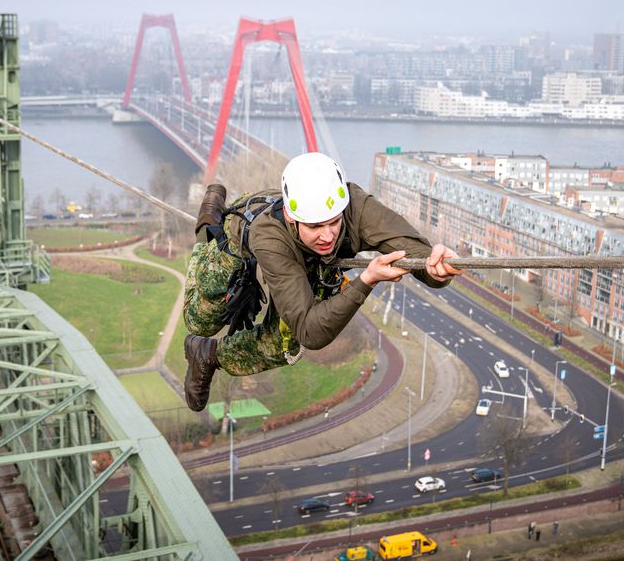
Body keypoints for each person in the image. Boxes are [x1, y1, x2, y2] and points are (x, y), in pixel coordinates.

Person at [181, 152, 462, 412]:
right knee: (200, 321)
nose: (328, 235)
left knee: (285, 346)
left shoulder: (356, 206)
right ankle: (210, 220)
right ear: (293, 218)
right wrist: (366, 281)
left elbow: (418, 255)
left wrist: (437, 269)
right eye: (315, 226)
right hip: (243, 236)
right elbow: (311, 330)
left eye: (334, 222)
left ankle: (206, 354)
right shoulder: (271, 236)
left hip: (312, 260)